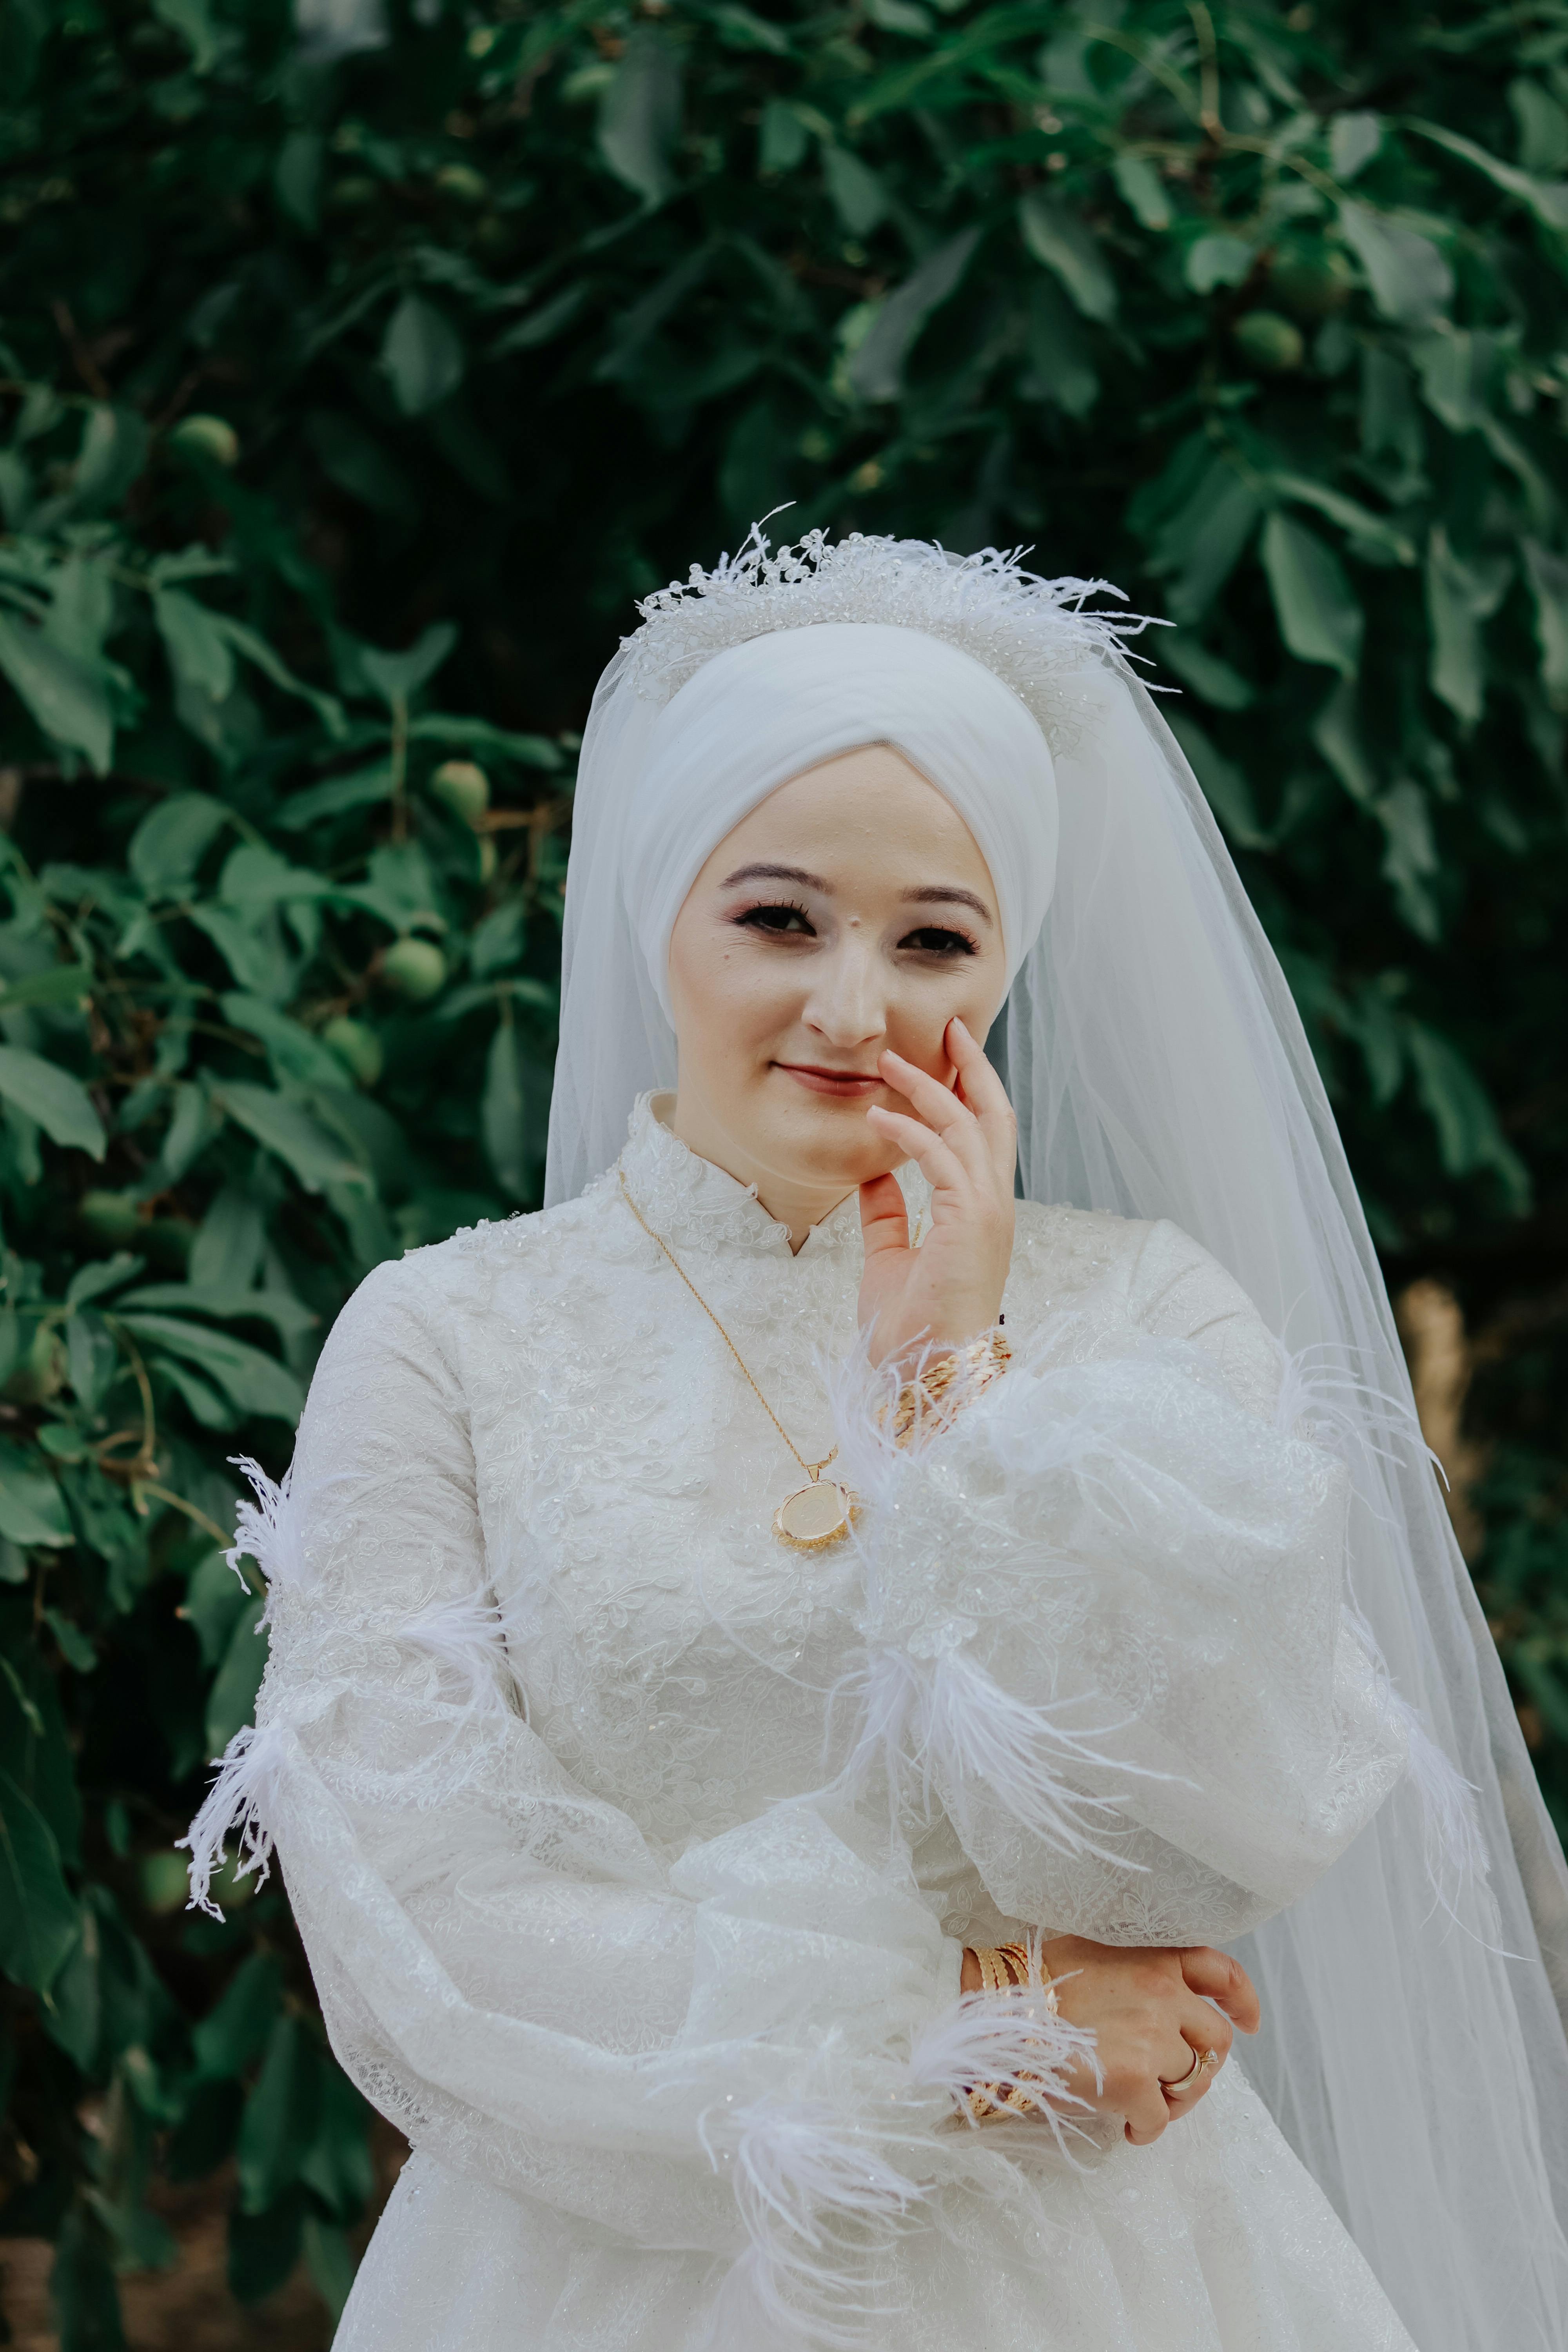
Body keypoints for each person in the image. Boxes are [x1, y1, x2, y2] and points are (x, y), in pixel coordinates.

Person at [185, 527, 1568, 2352]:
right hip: (606, 2275)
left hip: (1121, 2276)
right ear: (656, 909)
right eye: (777, 918)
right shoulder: (448, 1335)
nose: (854, 1008)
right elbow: (428, 1913)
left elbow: (1202, 1842)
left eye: (935, 938)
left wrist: (954, 1378)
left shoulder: (1155, 1317)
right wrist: (976, 2023)